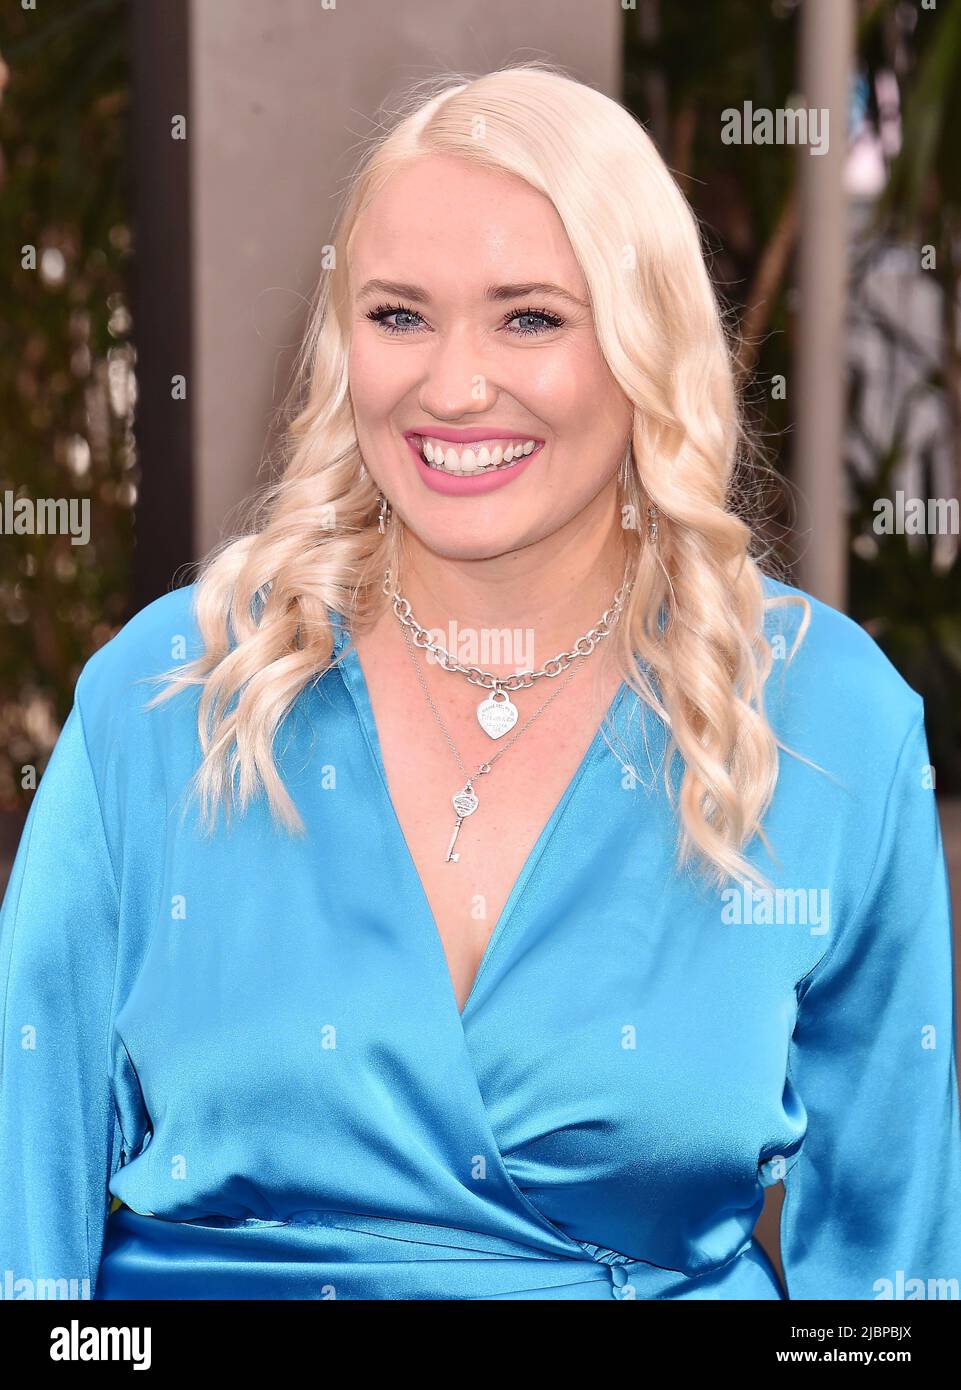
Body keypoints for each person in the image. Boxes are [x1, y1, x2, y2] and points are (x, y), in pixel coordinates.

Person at [1, 62, 959, 1302]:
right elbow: (24, 1237)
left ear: (643, 343)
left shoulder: (829, 718)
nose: (452, 387)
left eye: (530, 318)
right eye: (399, 315)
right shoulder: (168, 699)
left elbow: (891, 1280)